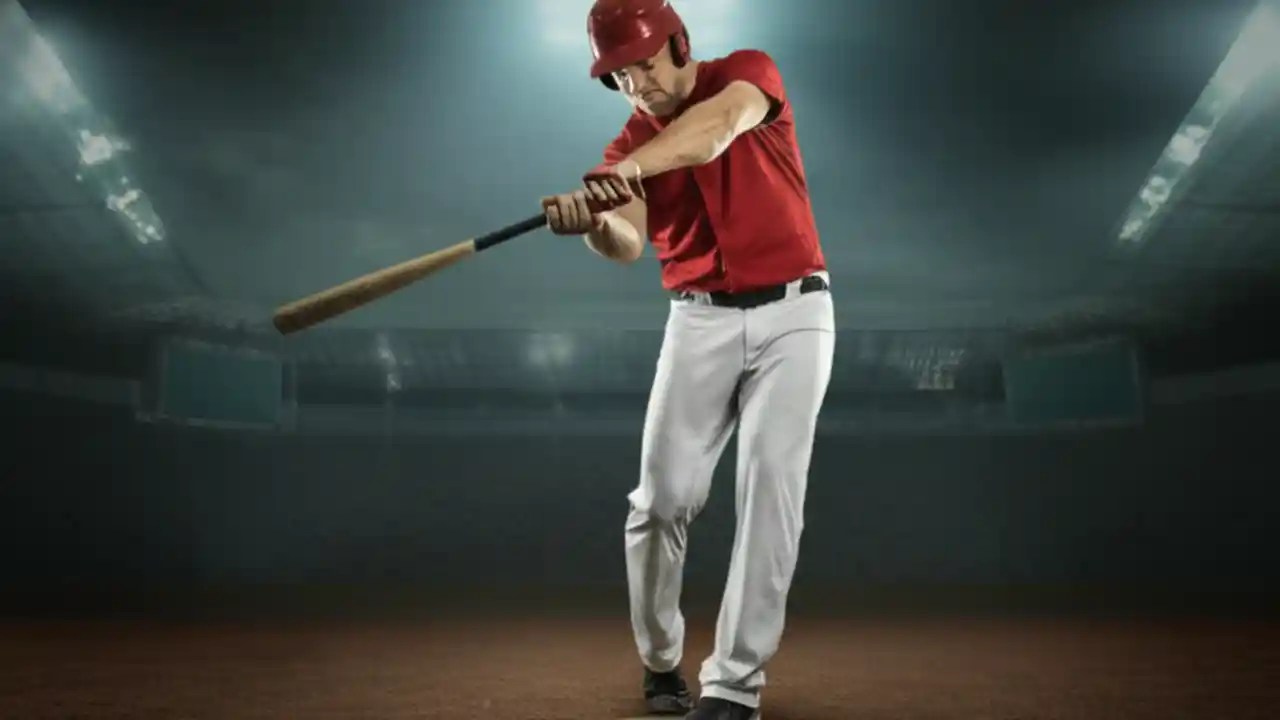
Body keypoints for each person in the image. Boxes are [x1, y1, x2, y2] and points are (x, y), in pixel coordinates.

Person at [540, 1, 835, 718]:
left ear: (679, 43)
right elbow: (627, 245)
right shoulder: (623, 153)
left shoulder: (746, 73)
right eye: (619, 73)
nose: (637, 83)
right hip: (697, 320)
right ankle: (661, 660)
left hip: (797, 312)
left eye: (645, 61)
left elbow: (713, 134)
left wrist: (628, 171)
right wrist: (593, 222)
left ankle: (734, 684)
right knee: (660, 502)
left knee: (771, 488)